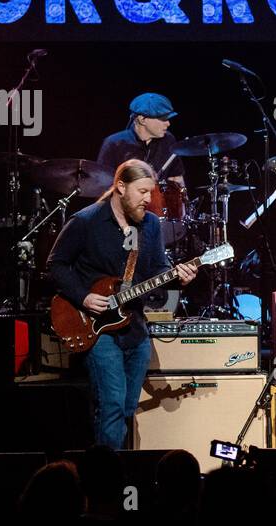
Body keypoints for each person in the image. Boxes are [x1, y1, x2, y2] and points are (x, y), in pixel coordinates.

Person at [48, 160, 198, 449]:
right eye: (142, 191)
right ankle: (108, 482)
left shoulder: (150, 224)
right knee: (113, 404)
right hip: (96, 328)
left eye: (150, 192)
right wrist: (83, 297)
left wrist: (178, 278)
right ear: (120, 186)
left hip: (134, 328)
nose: (148, 198)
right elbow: (56, 264)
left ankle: (111, 464)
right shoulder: (86, 221)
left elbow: (158, 269)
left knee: (127, 407)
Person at [96, 93, 186, 191]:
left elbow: (176, 177)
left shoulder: (168, 140)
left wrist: (184, 203)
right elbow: (101, 186)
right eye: (163, 119)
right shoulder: (114, 144)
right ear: (142, 119)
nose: (168, 123)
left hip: (159, 204)